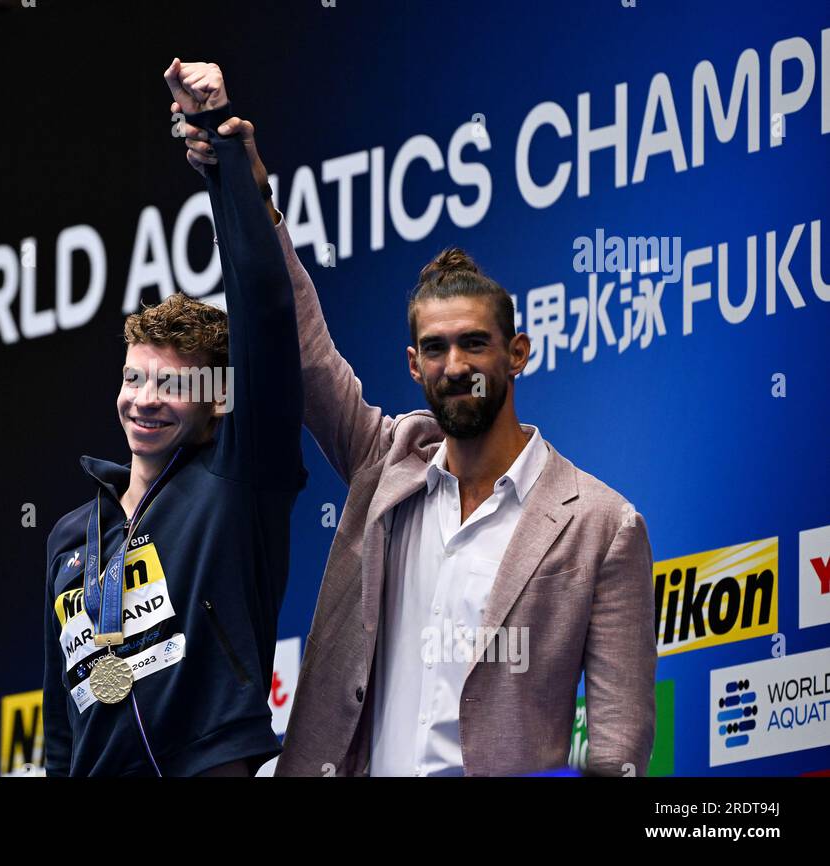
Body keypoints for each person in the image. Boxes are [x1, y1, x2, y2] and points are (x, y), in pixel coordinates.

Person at [172, 66, 657, 777]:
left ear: (518, 353)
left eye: (475, 343)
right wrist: (252, 197)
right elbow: (303, 351)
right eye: (435, 348)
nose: (454, 364)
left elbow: (617, 752)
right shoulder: (386, 461)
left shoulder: (601, 526)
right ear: (412, 364)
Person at [41, 59, 306, 776]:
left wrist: (222, 149)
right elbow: (63, 734)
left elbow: (267, 310)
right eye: (133, 377)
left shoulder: (239, 478)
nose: (143, 398)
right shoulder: (72, 537)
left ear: (219, 396)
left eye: (169, 383)